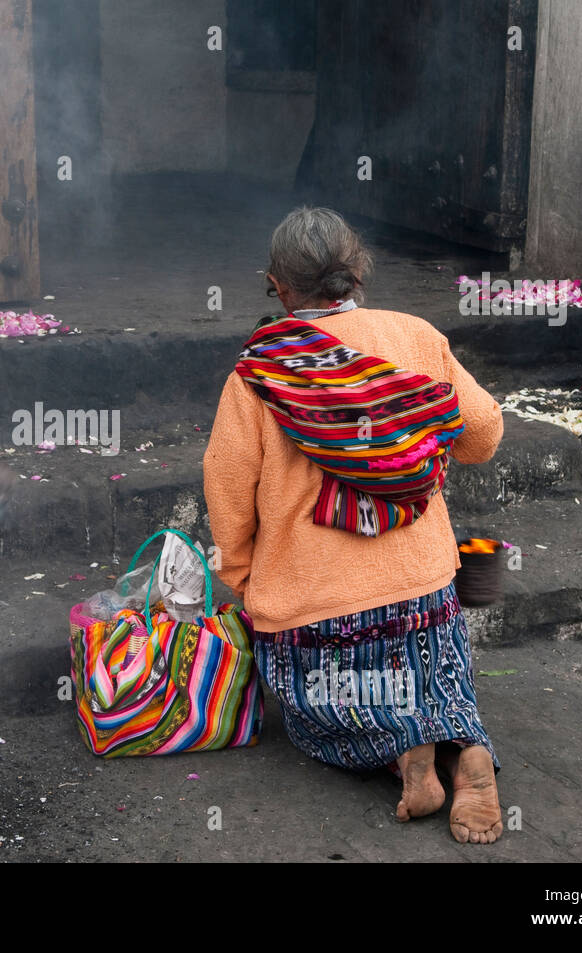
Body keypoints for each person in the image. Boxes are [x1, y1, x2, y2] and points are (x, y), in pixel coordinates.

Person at [203, 206, 505, 844]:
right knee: (438, 678)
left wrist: (243, 577)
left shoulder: (258, 371)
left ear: (278, 285)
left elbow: (228, 489)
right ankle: (462, 749)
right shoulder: (417, 336)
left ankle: (404, 757)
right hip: (423, 594)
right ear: (358, 270)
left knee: (313, 714)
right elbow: (482, 434)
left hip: (319, 606)